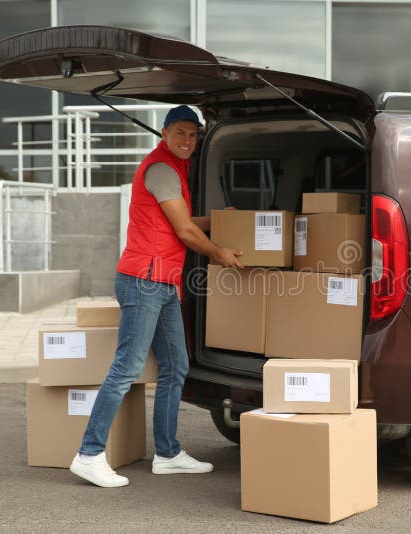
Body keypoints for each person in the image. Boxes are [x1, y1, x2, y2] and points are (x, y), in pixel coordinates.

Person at [69, 105, 244, 488]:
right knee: (127, 369)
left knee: (176, 366)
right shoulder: (161, 168)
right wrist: (219, 252)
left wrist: (219, 218)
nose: (187, 140)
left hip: (164, 282)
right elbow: (183, 230)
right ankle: (89, 453)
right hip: (144, 280)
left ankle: (167, 453)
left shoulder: (174, 169)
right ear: (164, 133)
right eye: (180, 132)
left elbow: (177, 221)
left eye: (193, 135)